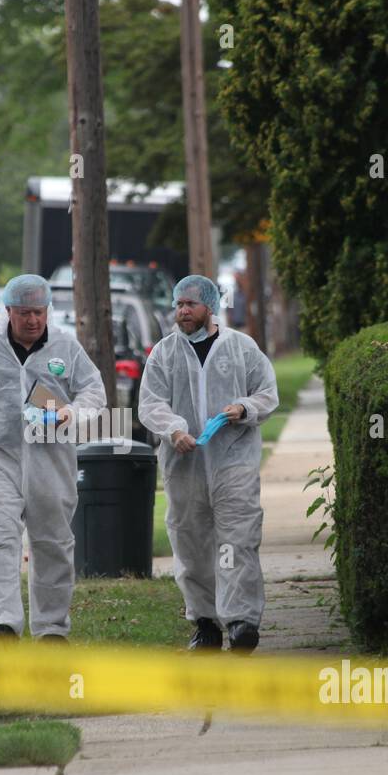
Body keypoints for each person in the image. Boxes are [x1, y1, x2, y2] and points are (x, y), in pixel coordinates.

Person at [0, 274, 106, 641]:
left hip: (52, 458)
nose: (32, 320)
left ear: (47, 312)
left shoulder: (66, 348)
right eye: (25, 312)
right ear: (8, 311)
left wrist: (70, 413)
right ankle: (0, 624)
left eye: (39, 312)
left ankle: (52, 629)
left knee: (53, 542)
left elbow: (94, 392)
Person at [138, 275, 279, 654]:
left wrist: (243, 408)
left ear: (210, 307)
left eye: (190, 305)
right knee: (191, 543)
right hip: (184, 463)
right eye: (179, 304)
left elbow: (267, 393)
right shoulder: (164, 353)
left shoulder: (242, 348)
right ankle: (205, 622)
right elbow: (150, 404)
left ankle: (241, 620)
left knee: (238, 538)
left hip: (234, 459)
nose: (183, 311)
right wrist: (173, 429)